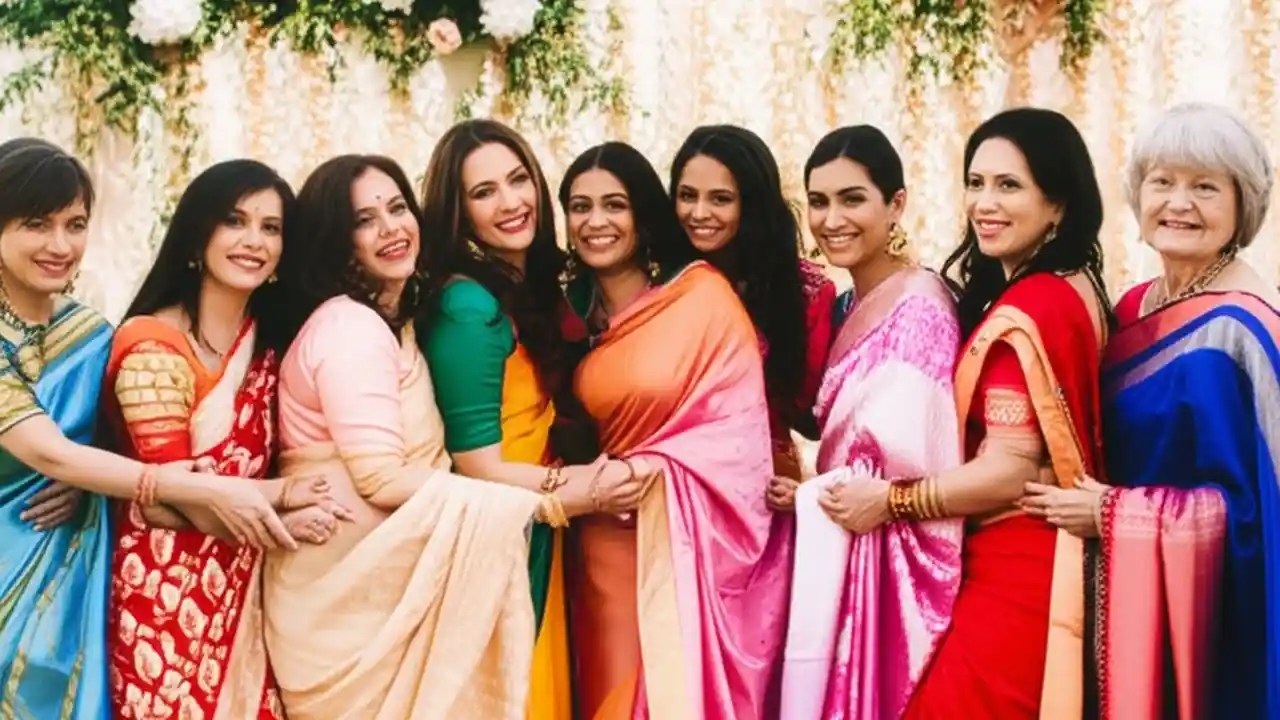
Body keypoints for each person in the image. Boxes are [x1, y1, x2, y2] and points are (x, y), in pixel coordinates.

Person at [820, 109, 1112, 718]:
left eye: (1009, 186)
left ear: (1058, 204)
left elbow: (1012, 470)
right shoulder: (1074, 286)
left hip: (1016, 569)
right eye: (976, 183)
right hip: (1040, 561)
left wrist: (891, 500)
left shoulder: (1032, 306)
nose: (985, 203)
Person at [0, 139, 297, 718]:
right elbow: (51, 454)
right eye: (36, 224)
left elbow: (103, 443)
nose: (60, 245)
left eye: (75, 224)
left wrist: (90, 483)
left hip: (77, 582)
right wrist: (202, 486)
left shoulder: (91, 333)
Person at [262, 153, 548, 720]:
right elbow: (380, 478)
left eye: (397, 208)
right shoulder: (349, 328)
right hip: (347, 625)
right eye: (365, 220)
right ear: (336, 242)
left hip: (383, 603)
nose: (391, 228)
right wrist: (531, 502)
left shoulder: (395, 323)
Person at [1024, 103, 1280, 719]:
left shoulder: (1243, 329)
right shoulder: (1131, 306)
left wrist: (1113, 513)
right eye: (1162, 181)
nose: (1178, 203)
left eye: (1205, 187)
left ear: (1242, 205)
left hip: (1217, 631)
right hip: (1121, 600)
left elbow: (1256, 518)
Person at [416, 119, 645, 720]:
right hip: (507, 538)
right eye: (484, 192)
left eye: (518, 180)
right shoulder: (467, 307)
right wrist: (581, 488)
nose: (511, 201)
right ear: (458, 212)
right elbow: (476, 465)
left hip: (544, 522)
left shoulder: (532, 287)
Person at [102, 160, 342, 719]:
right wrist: (281, 510)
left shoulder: (270, 341)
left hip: (245, 587)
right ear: (197, 237)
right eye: (235, 221)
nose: (254, 240)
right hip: (162, 594)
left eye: (270, 227)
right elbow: (164, 501)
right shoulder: (155, 347)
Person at [561, 141, 787, 719]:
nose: (596, 221)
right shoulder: (563, 314)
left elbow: (737, 444)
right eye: (580, 207)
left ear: (643, 214)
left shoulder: (702, 297)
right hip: (597, 537)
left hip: (684, 541)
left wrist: (647, 469)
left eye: (614, 205)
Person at [779, 126, 963, 720]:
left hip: (895, 555)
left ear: (896, 204)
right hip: (847, 533)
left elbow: (905, 460)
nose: (831, 219)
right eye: (819, 201)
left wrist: (819, 493)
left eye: (852, 199)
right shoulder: (846, 304)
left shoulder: (921, 307)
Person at [670, 124, 835, 492]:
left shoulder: (805, 293)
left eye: (720, 199)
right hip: (672, 479)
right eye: (687, 196)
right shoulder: (661, 286)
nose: (699, 212)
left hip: (764, 487)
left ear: (752, 204)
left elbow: (808, 413)